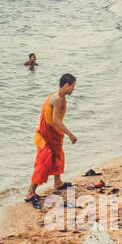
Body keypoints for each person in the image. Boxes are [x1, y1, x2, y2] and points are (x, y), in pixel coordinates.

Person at [25, 73, 77, 206]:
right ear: (66, 85)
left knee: (58, 155)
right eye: (73, 86)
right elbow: (55, 120)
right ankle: (31, 192)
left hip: (53, 134)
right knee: (44, 163)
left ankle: (58, 183)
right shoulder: (59, 99)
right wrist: (70, 134)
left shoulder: (57, 95)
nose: (73, 89)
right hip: (47, 136)